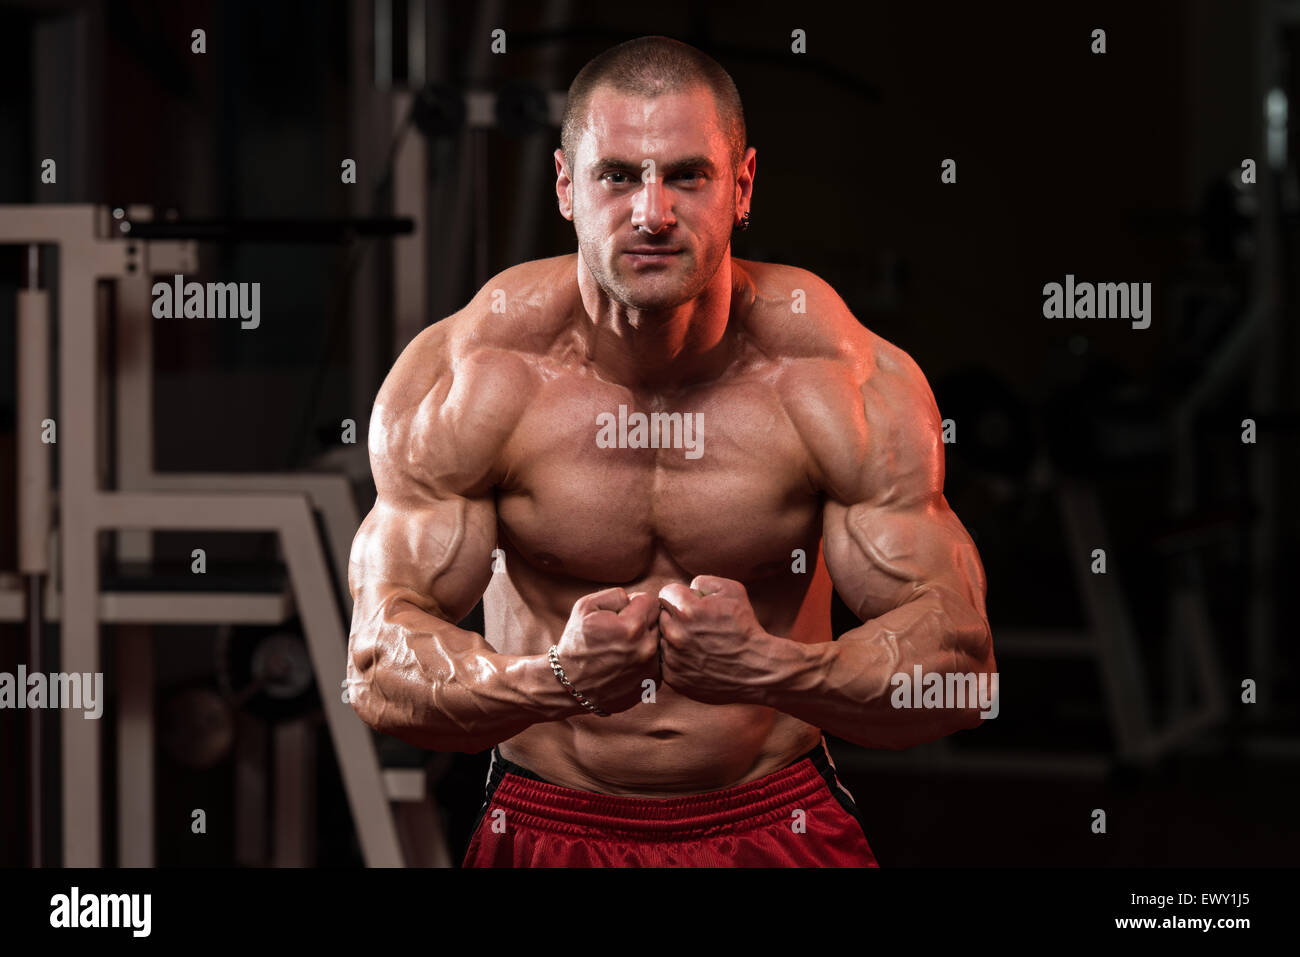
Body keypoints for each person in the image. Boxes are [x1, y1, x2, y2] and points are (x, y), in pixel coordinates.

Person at [346, 35, 995, 867]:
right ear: (565, 187)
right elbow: (375, 666)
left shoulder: (836, 378)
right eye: (617, 175)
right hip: (550, 824)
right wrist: (555, 679)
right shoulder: (473, 379)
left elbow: (964, 666)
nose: (652, 212)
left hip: (776, 818)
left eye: (688, 175)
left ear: (743, 187)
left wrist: (773, 670)